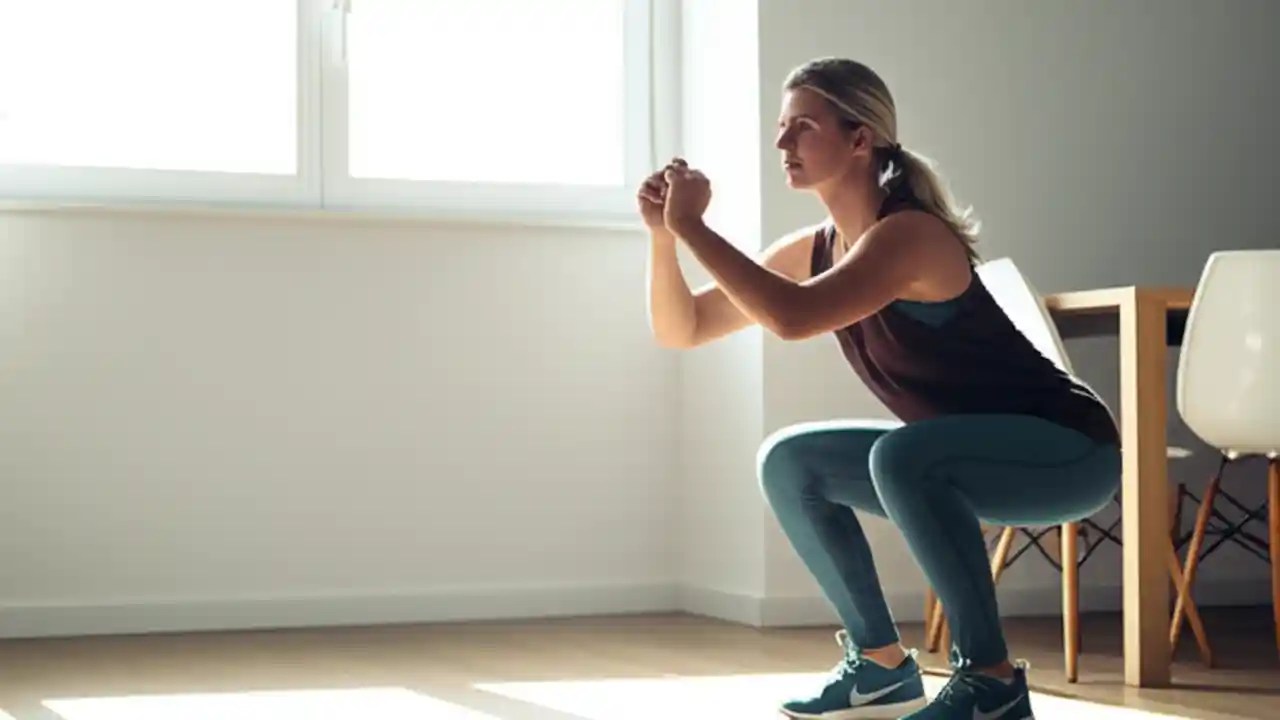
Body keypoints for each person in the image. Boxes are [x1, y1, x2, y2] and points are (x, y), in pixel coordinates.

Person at [641, 57, 1120, 720]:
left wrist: (696, 227)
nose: (782, 144)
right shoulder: (815, 247)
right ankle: (881, 668)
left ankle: (991, 683)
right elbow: (684, 328)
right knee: (791, 460)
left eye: (801, 127)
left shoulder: (911, 235)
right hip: (957, 458)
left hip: (1069, 454)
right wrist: (665, 239)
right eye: (781, 128)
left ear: (860, 139)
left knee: (902, 454)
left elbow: (793, 317)